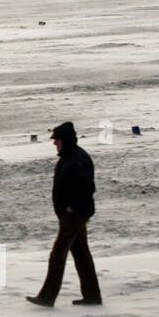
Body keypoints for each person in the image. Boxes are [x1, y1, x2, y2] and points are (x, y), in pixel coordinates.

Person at [28, 122, 103, 307]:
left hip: (74, 215)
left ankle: (47, 297)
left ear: (65, 140)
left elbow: (87, 188)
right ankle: (92, 296)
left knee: (58, 254)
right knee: (81, 254)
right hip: (70, 214)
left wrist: (72, 208)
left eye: (57, 140)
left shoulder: (78, 159)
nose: (55, 144)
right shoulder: (69, 158)